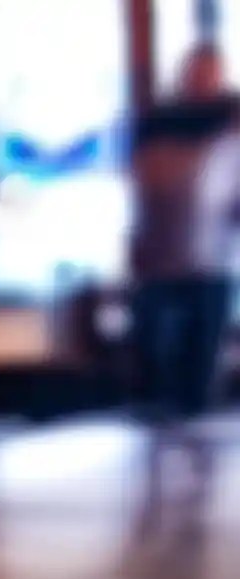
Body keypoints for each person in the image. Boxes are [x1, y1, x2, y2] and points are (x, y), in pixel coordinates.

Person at [129, 44, 240, 419]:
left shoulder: (231, 121)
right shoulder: (159, 122)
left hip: (214, 260)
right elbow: (144, 187)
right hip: (159, 258)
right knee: (156, 365)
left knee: (200, 367)